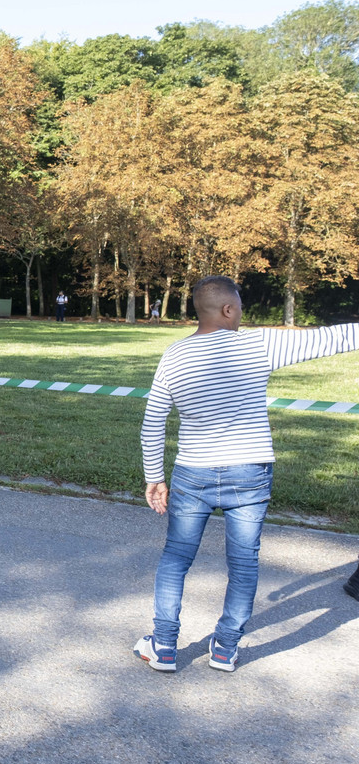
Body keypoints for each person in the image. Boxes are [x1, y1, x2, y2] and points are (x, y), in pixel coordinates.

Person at [134, 275, 359, 674]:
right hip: (250, 471)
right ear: (227, 309)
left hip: (193, 472)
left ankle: (164, 646)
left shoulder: (174, 355)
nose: (242, 313)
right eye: (239, 306)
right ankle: (225, 648)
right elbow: (333, 338)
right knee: (243, 563)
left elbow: (153, 422)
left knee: (176, 559)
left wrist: (155, 476)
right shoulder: (258, 344)